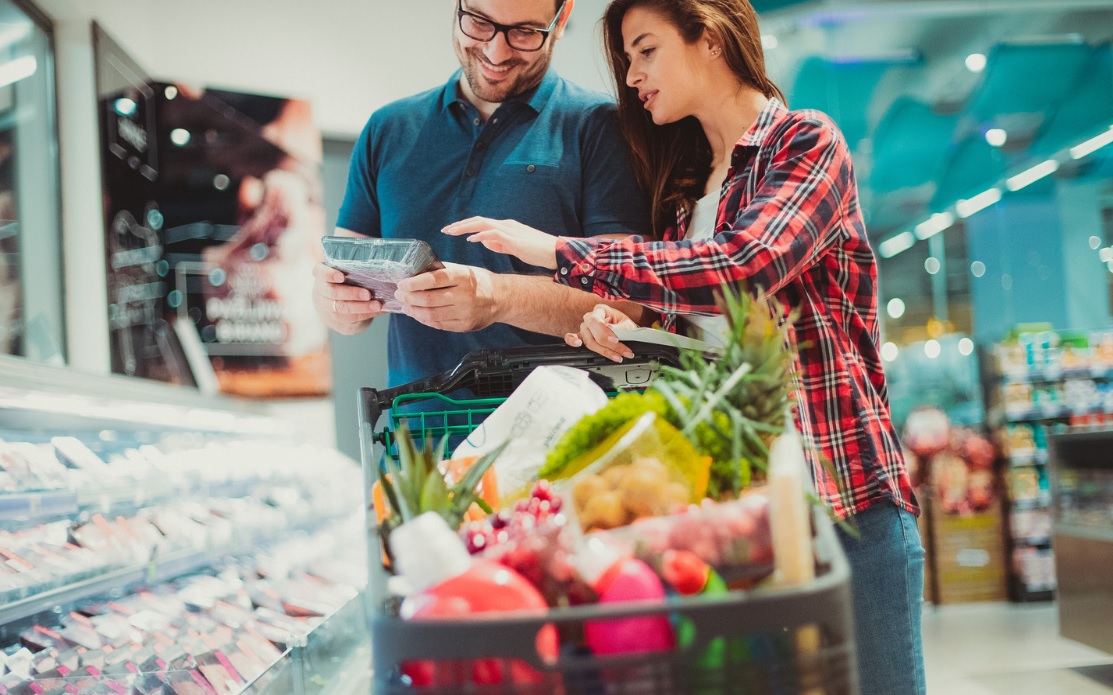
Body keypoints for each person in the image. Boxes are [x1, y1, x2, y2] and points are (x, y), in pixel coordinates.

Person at [442, 0, 925, 692]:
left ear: (710, 38)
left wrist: (559, 252)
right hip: (736, 520)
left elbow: (743, 267)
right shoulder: (684, 198)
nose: (632, 77)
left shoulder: (803, 144)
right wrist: (626, 332)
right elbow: (695, 337)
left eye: (644, 50)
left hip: (844, 503)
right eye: (626, 60)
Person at [314, 0, 652, 388]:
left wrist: (496, 297)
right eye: (478, 22)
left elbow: (631, 301)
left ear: (563, 18)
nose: (497, 52)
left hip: (560, 433)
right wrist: (336, 304)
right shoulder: (387, 129)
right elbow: (339, 279)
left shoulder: (602, 126)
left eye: (524, 32)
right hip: (416, 432)